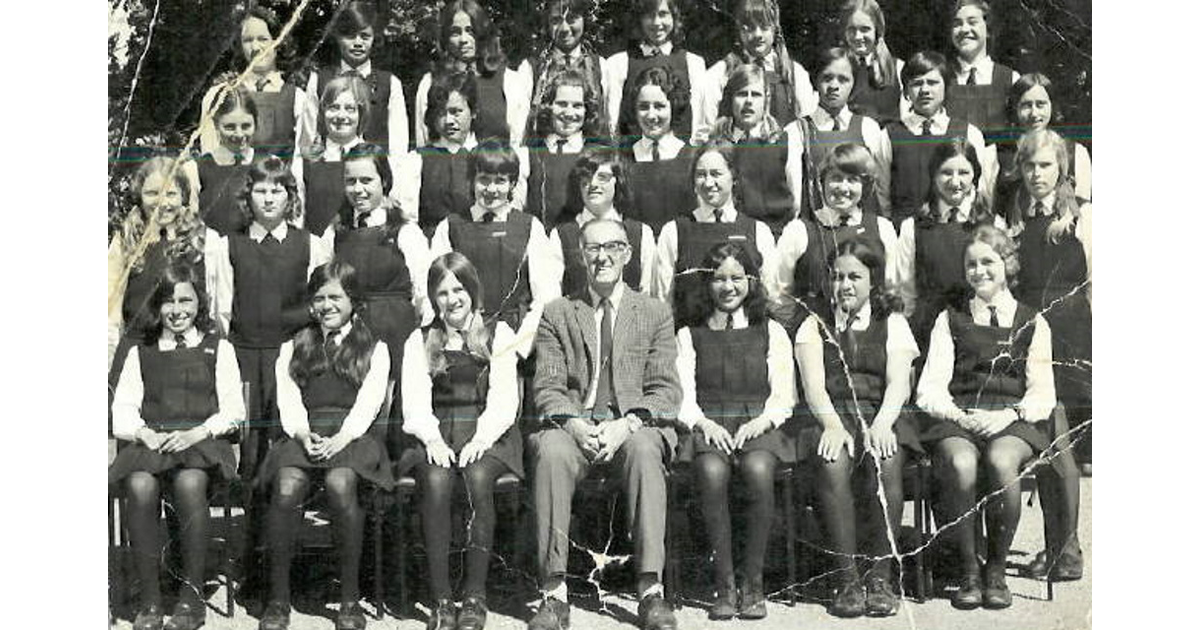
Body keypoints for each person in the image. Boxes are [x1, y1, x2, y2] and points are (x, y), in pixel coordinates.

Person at [528, 218, 682, 630]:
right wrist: (576, 426)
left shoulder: (654, 312)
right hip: (576, 428)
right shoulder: (557, 313)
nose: (603, 256)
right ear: (581, 255)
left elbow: (665, 390)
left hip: (632, 429)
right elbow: (548, 388)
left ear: (628, 254)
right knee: (550, 451)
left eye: (613, 247)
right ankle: (553, 594)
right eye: (593, 248)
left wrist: (627, 425)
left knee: (647, 449)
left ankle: (651, 591)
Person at [915, 225, 1057, 611]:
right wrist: (960, 416)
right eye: (971, 264)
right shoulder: (950, 319)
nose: (979, 271)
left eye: (988, 262)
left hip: (1012, 419)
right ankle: (968, 571)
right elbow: (929, 388)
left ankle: (995, 569)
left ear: (1007, 264)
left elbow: (1043, 393)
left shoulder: (1033, 321)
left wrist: (1006, 417)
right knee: (961, 463)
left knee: (1000, 459)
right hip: (959, 416)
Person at [255, 261, 394, 630]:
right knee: (286, 487)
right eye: (319, 298)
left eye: (336, 297)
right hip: (306, 432)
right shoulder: (294, 345)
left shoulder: (374, 347)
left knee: (340, 482)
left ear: (353, 300)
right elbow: (288, 398)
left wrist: (342, 438)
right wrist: (302, 434)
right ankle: (278, 598)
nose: (327, 305)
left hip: (354, 436)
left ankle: (349, 598)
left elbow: (370, 402)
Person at [110, 263, 245, 630]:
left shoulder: (219, 348)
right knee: (139, 485)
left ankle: (192, 595)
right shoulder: (142, 352)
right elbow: (121, 408)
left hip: (202, 444)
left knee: (189, 483)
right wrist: (143, 433)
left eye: (185, 299)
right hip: (154, 442)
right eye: (168, 301)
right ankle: (151, 600)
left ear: (199, 302)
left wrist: (199, 432)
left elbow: (234, 411)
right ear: (157, 307)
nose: (177, 309)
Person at [792, 239, 919, 618]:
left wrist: (882, 423)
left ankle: (880, 575)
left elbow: (900, 382)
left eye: (855, 277)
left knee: (887, 457)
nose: (845, 285)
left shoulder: (892, 323)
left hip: (881, 412)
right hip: (829, 415)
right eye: (837, 277)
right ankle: (845, 577)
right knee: (832, 462)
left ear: (873, 282)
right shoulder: (812, 325)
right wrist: (831, 424)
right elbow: (813, 386)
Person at [398, 253, 523, 630]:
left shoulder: (498, 332)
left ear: (472, 290)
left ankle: (473, 595)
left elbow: (505, 399)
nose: (452, 299)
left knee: (475, 477)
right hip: (436, 431)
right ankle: (440, 599)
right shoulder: (420, 339)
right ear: (432, 299)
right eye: (442, 292)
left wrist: (481, 438)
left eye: (459, 289)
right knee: (435, 480)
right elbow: (415, 400)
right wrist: (433, 438)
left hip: (490, 433)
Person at [674, 242, 796, 621]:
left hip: (757, 424)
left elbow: (783, 394)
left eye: (736, 278)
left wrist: (761, 421)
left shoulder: (770, 330)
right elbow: (683, 395)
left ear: (751, 281)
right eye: (719, 279)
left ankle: (753, 582)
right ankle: (724, 583)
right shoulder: (689, 334)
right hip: (709, 425)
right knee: (711, 472)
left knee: (759, 470)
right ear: (706, 284)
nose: (728, 287)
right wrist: (703, 424)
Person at [210, 156, 332, 476]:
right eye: (260, 190)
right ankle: (251, 519)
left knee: (284, 438)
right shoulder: (229, 246)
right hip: (246, 353)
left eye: (277, 191)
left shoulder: (311, 245)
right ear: (248, 196)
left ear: (290, 197)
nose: (268, 198)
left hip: (290, 353)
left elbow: (318, 304)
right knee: (250, 441)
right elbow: (223, 308)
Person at [1005, 128, 1090, 582]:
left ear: (1062, 170)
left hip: (1072, 337)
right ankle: (1060, 546)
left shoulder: (1084, 219)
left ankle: (1066, 549)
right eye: (1029, 166)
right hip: (1032, 338)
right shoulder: (1015, 221)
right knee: (1050, 444)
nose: (1037, 174)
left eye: (1045, 165)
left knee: (1062, 445)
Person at [325, 143, 431, 431]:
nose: (358, 189)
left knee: (392, 417)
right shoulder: (336, 234)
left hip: (396, 335)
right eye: (351, 181)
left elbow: (424, 293)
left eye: (366, 180)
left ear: (384, 181)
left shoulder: (405, 232)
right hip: (353, 339)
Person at [429, 139, 561, 362]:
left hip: (513, 340)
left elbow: (547, 296)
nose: (491, 189)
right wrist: (456, 338)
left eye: (500, 181)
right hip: (461, 340)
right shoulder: (450, 227)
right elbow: (435, 289)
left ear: (512, 184)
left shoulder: (529, 227)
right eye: (484, 180)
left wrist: (520, 347)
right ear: (472, 180)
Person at [772, 143, 897, 334]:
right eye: (836, 178)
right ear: (822, 182)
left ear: (865, 185)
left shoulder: (883, 229)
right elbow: (779, 296)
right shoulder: (799, 231)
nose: (843, 188)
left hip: (872, 338)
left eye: (852, 180)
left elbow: (892, 289)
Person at [894, 138, 1005, 350]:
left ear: (975, 175)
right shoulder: (913, 228)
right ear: (933, 175)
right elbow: (906, 294)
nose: (955, 182)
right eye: (946, 172)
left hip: (977, 330)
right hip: (927, 331)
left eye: (963, 173)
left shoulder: (994, 224)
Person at [108, 156, 214, 375]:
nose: (162, 203)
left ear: (183, 196)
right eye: (152, 193)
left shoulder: (201, 239)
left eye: (171, 193)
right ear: (139, 195)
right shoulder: (126, 239)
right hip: (137, 349)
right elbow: (110, 304)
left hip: (187, 350)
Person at [654, 141, 779, 309]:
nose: (707, 183)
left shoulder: (758, 232)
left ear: (733, 177)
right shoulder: (674, 232)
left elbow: (771, 298)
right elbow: (662, 303)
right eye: (700, 175)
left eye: (715, 174)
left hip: (746, 333)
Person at [876, 51, 989, 226]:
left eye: (933, 83)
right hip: (906, 233)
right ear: (905, 90)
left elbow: (978, 189)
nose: (925, 90)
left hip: (958, 228)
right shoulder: (889, 136)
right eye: (916, 84)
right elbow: (882, 195)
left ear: (946, 86)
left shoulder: (969, 133)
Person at [198, 5, 311, 159]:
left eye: (263, 39)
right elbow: (210, 158)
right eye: (248, 40)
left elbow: (303, 161)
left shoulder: (299, 99)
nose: (256, 47)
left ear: (278, 42)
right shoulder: (218, 96)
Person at [707, 63, 806, 238]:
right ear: (731, 98)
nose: (749, 101)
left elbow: (795, 200)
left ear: (766, 99)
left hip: (776, 234)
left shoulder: (784, 141)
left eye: (756, 95)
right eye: (742, 94)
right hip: (729, 234)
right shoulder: (717, 143)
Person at [414, 0, 528, 148]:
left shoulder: (510, 80)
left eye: (470, 31)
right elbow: (424, 142)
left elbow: (517, 142)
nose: (463, 40)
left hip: (495, 168)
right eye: (455, 32)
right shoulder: (430, 82)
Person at [304, 0, 408, 155]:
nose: (358, 43)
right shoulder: (319, 80)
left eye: (365, 36)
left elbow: (398, 145)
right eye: (350, 36)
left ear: (374, 38)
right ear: (338, 37)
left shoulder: (390, 84)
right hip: (329, 170)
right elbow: (308, 138)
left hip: (373, 174)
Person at [549, 147, 655, 296]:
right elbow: (551, 298)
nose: (593, 184)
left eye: (602, 177)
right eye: (586, 177)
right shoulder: (561, 236)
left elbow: (648, 295)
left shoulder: (641, 234)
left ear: (618, 181)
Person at [607, 0, 712, 143]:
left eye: (663, 14)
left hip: (681, 158)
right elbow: (612, 119)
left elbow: (699, 120)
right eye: (649, 16)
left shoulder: (693, 63)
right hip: (634, 158)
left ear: (674, 17)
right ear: (640, 19)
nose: (657, 23)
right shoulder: (619, 63)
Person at [988, 72, 1092, 215]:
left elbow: (1083, 212)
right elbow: (991, 210)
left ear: (1051, 106)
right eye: (1026, 105)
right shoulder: (995, 154)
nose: (1034, 113)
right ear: (1014, 108)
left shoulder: (1076, 153)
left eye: (1041, 104)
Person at [801, 46, 889, 214]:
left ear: (854, 83)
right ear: (815, 80)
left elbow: (882, 188)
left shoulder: (869, 128)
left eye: (843, 79)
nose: (834, 86)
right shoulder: (799, 130)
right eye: (827, 78)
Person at [703, 0, 817, 129]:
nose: (758, 35)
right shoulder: (723, 71)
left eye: (764, 27)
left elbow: (806, 124)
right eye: (750, 28)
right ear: (739, 31)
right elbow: (706, 126)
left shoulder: (793, 72)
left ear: (775, 30)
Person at [521, 68, 608, 230]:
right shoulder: (529, 154)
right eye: (561, 104)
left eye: (577, 106)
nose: (569, 113)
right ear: (548, 106)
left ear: (586, 110)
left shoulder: (599, 155)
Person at [620, 65, 695, 235]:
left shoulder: (692, 158)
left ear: (673, 106)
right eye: (644, 107)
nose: (651, 116)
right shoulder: (622, 157)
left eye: (659, 106)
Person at [295, 73, 373, 235]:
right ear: (323, 111)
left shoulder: (375, 158)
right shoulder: (306, 162)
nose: (341, 116)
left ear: (361, 113)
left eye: (350, 109)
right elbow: (297, 219)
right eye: (334, 107)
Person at [517, 0, 611, 120]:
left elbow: (609, 121)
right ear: (547, 24)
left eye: (572, 19)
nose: (564, 28)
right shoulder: (531, 68)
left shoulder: (600, 66)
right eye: (556, 21)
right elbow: (521, 121)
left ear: (584, 20)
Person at [944, 0, 1019, 145]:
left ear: (988, 30)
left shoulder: (1011, 79)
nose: (964, 29)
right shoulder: (941, 77)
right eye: (957, 24)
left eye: (972, 22)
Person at [196, 87, 260, 236]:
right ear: (216, 124)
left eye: (246, 126)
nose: (239, 134)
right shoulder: (198, 170)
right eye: (230, 127)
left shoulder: (269, 163)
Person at [838, 0, 906, 125]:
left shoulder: (897, 68)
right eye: (852, 30)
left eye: (865, 29)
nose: (858, 37)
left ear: (877, 30)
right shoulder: (836, 68)